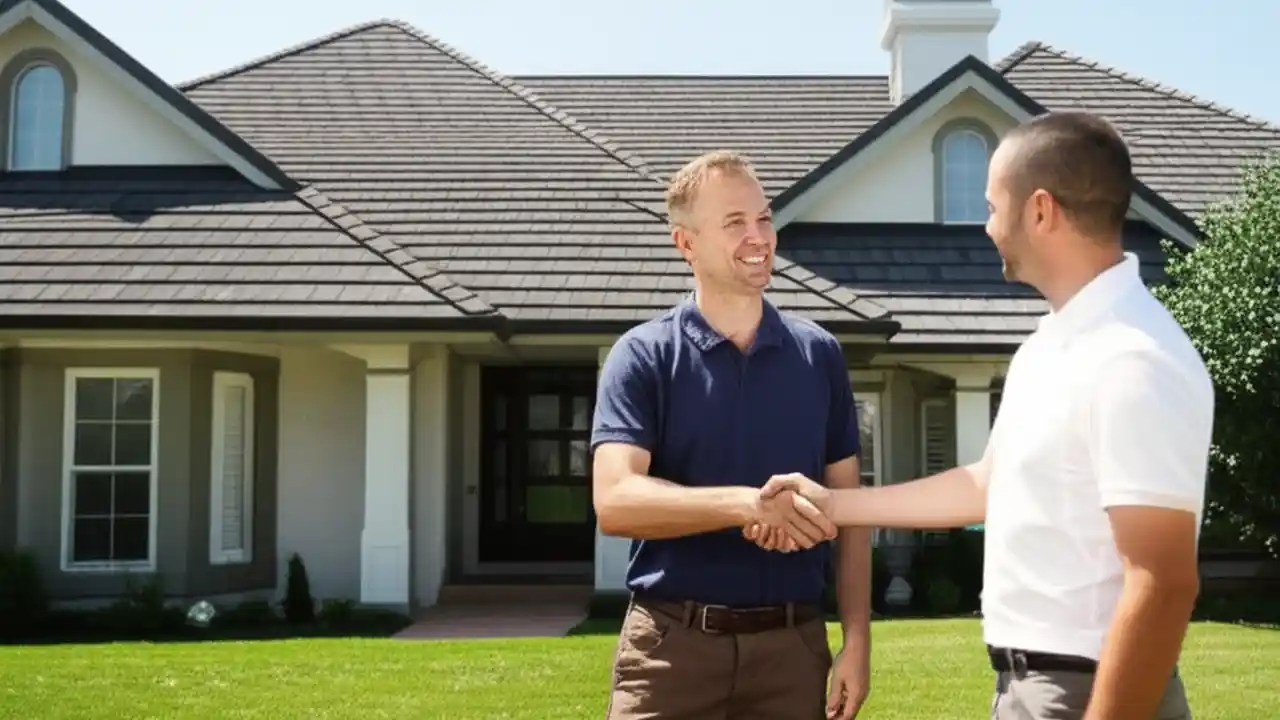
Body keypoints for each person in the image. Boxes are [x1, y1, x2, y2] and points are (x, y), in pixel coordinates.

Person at [747, 111, 1212, 720]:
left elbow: (1162, 581)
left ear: (1040, 211)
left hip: (1090, 690)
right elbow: (988, 485)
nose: (987, 226)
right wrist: (831, 506)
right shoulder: (1050, 346)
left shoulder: (1133, 358)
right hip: (1025, 686)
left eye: (993, 206)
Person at [590, 150, 872, 719]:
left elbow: (852, 510)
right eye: (735, 222)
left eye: (764, 218)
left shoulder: (819, 356)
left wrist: (858, 640)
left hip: (793, 654)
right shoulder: (643, 356)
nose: (759, 237)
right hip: (671, 652)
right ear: (686, 243)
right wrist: (747, 506)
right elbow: (616, 501)